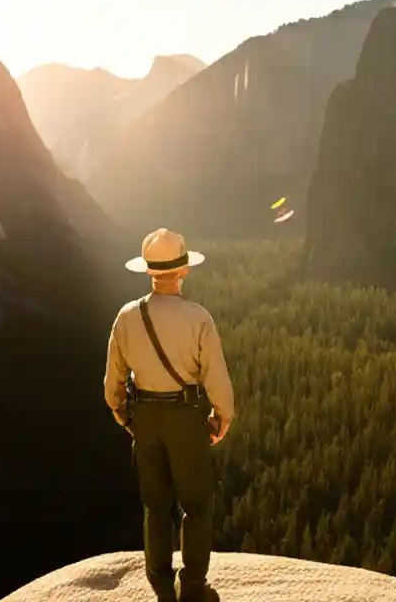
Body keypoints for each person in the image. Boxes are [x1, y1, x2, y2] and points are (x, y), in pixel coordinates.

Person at [104, 228, 236, 602]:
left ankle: (160, 585)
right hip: (186, 417)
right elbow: (216, 376)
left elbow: (113, 379)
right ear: (184, 271)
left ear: (148, 272)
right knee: (196, 504)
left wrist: (123, 413)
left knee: (155, 506)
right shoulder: (198, 318)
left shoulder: (127, 317)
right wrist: (221, 417)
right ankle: (192, 586)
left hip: (144, 419)